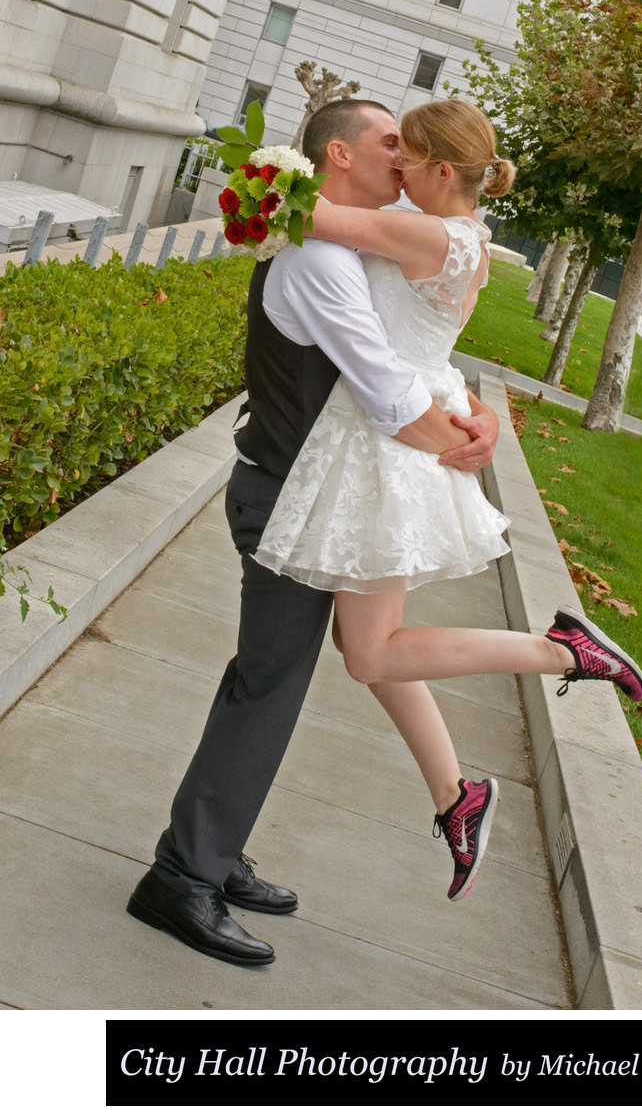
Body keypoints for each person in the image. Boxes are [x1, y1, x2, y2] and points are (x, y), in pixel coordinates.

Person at [127, 99, 502, 964]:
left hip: (304, 496)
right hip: (285, 496)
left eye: (409, 148)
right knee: (265, 687)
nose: (399, 156)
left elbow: (417, 358)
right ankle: (182, 877)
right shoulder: (324, 263)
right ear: (339, 154)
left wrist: (473, 411)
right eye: (386, 143)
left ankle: (211, 853)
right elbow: (392, 399)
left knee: (278, 682)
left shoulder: (347, 249)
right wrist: (464, 447)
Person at [253, 98, 642, 902]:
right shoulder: (460, 237)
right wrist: (473, 413)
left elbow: (309, 213)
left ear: (440, 171)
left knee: (369, 651)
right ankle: (456, 795)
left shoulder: (428, 233)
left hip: (382, 446)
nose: (392, 168)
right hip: (394, 429)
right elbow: (427, 344)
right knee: (368, 644)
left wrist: (277, 168)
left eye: (404, 158)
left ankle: (562, 651)